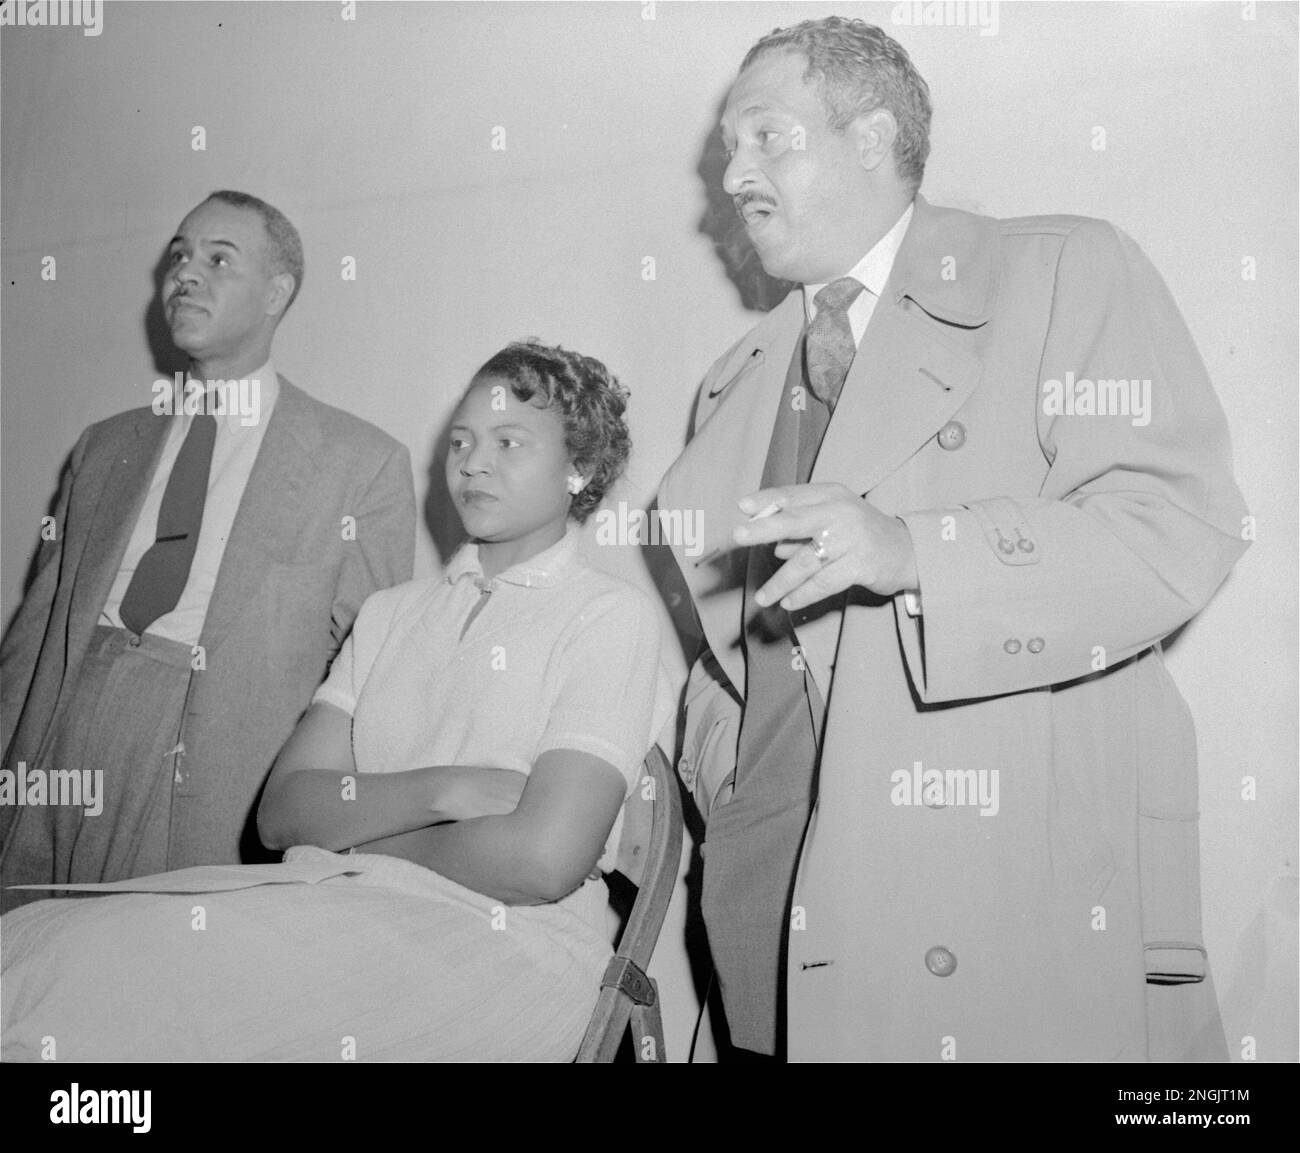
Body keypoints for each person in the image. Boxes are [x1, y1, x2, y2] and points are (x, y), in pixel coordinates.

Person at [658, 17, 1250, 1061]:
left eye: (765, 136)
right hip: (764, 910)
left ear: (875, 136)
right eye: (726, 148)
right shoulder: (732, 380)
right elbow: (735, 659)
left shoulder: (1062, 269)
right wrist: (730, 775)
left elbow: (1175, 528)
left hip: (992, 901)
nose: (732, 172)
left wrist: (916, 551)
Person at [2, 339, 674, 1062]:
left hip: (506, 948)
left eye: (509, 441)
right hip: (345, 902)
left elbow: (543, 861)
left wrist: (356, 836)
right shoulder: (391, 612)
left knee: (143, 999)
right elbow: (284, 811)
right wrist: (443, 789)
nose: (473, 462)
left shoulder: (607, 616)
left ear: (580, 467)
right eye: (461, 440)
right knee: (41, 946)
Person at [0, 191, 415, 911]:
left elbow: (358, 678)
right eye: (180, 256)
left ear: (277, 293)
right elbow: (36, 629)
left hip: (212, 766)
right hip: (64, 732)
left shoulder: (360, 462)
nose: (186, 274)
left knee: (152, 990)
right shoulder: (103, 448)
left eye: (220, 259)